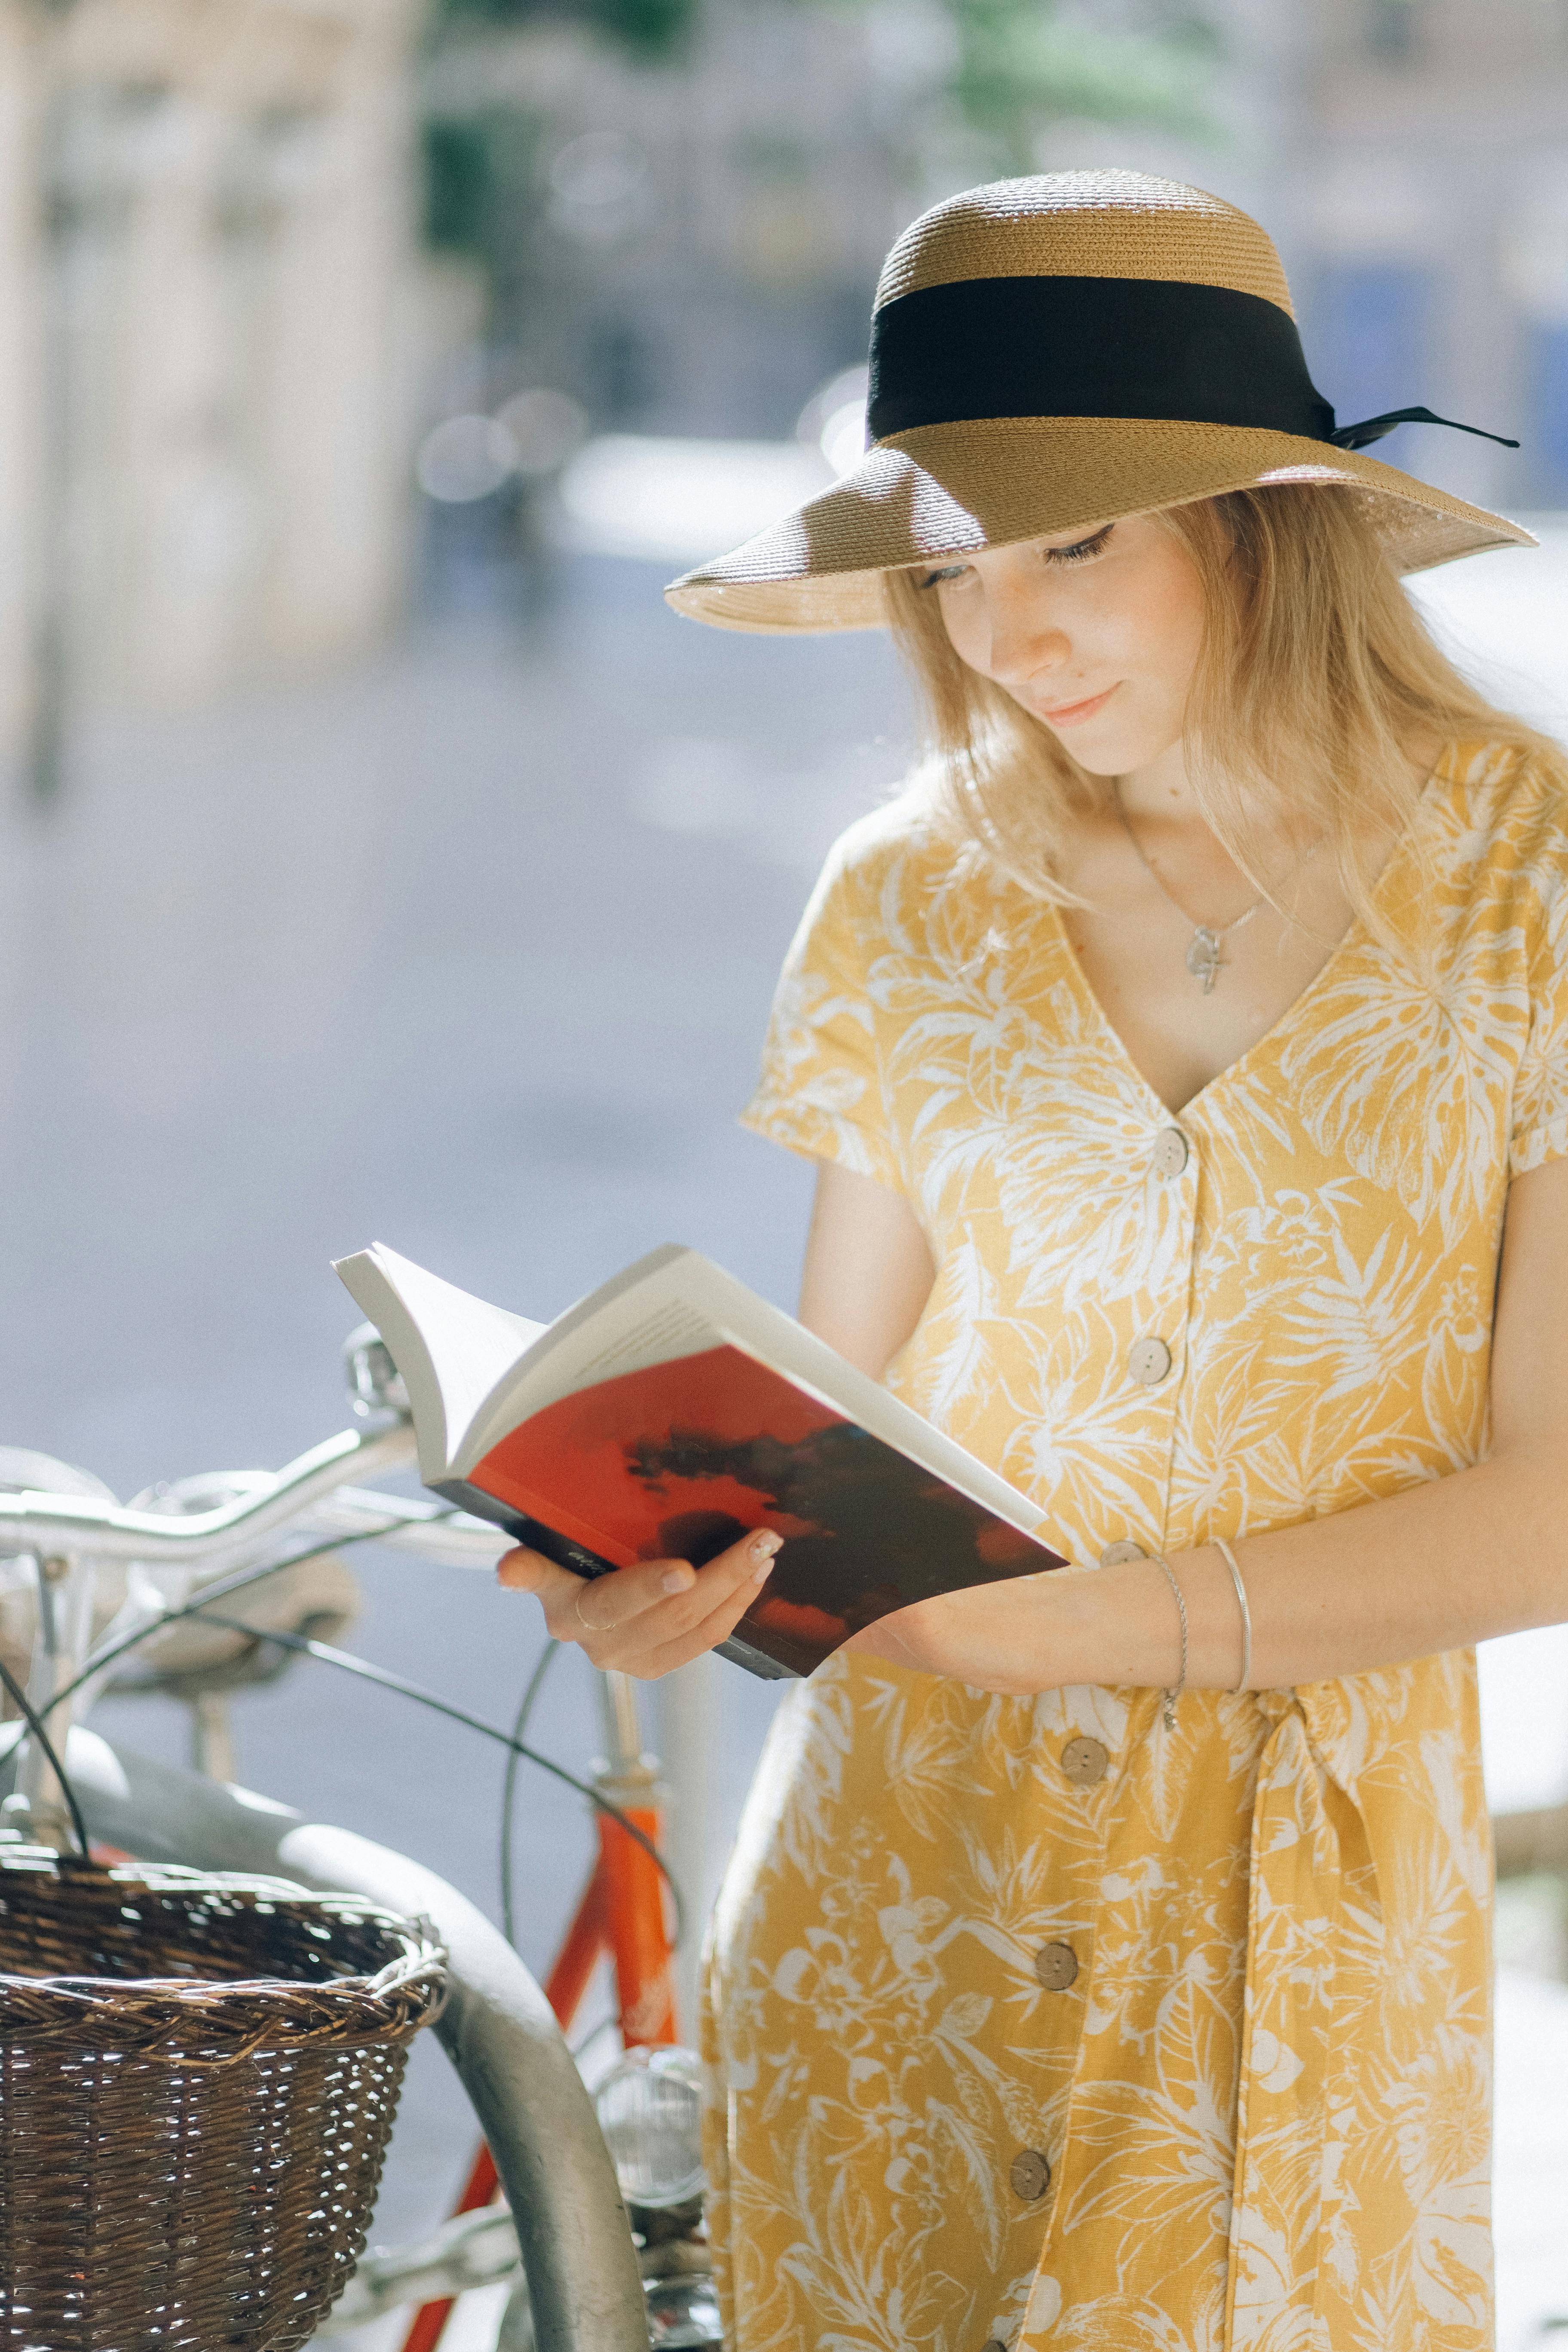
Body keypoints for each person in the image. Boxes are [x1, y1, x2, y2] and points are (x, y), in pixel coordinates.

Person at [498, 170, 1568, 2351]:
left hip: (1298, 1927)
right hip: (901, 1895)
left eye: (1077, 540)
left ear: (1268, 521)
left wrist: (1090, 1632)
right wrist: (675, 1560)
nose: (1012, 639)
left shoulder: (1530, 875)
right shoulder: (904, 894)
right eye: (962, 568)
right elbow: (837, 1412)